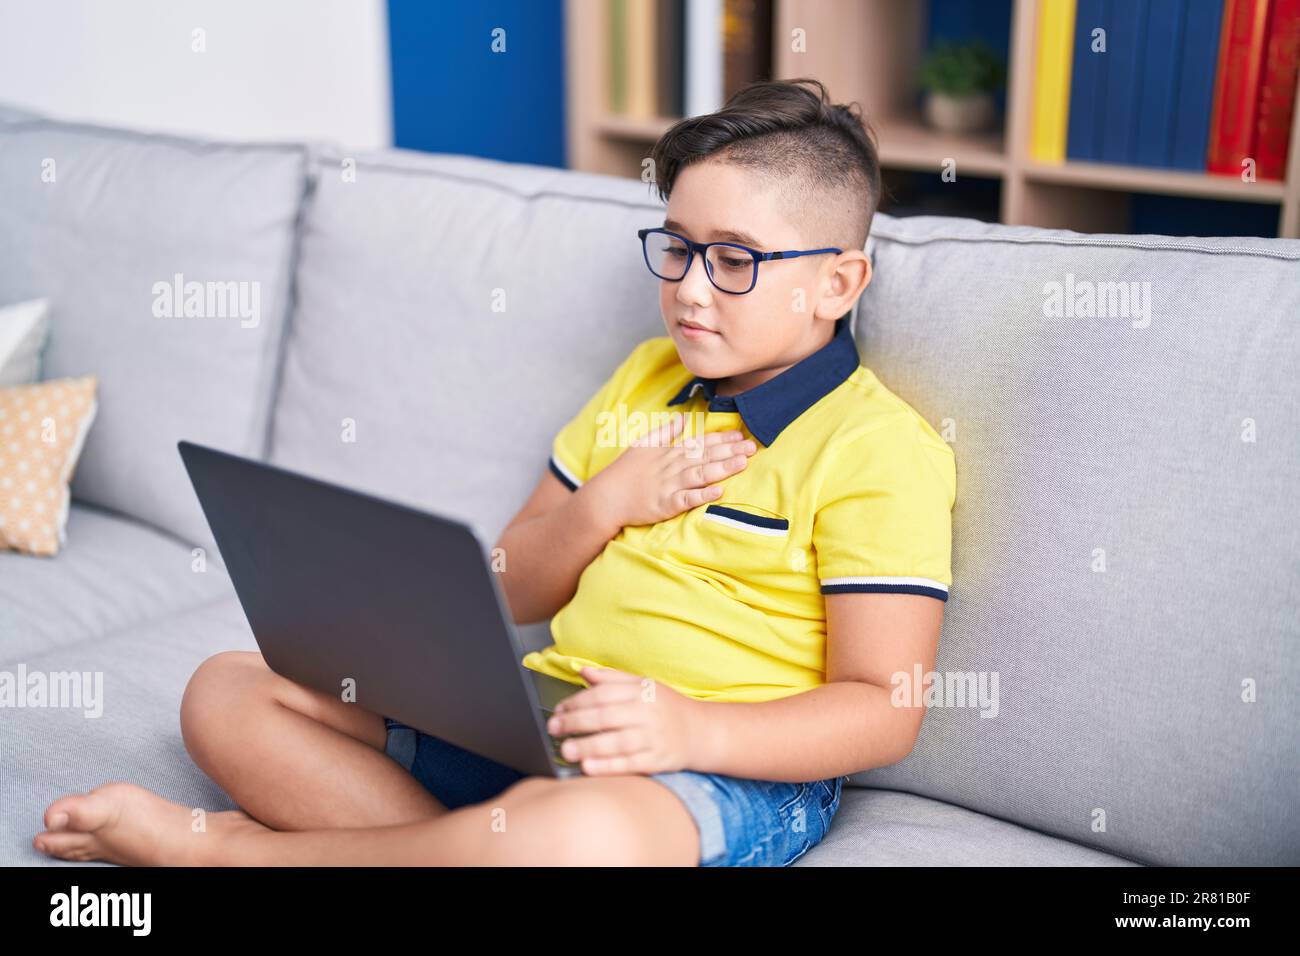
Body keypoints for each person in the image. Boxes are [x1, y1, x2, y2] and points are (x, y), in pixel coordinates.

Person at [33, 77, 955, 866]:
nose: (688, 287)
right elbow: (514, 586)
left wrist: (693, 729)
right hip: (545, 717)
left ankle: (230, 850)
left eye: (735, 260)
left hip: (722, 767)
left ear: (837, 283)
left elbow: (885, 710)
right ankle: (470, 852)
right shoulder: (646, 380)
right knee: (228, 692)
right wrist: (606, 505)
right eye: (675, 246)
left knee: (569, 835)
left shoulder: (880, 450)